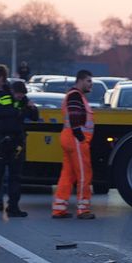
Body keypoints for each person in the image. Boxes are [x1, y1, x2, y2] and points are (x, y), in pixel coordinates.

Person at [0, 67, 38, 217]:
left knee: (15, 177)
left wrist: (29, 108)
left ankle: (13, 207)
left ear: (1, 77)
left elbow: (33, 115)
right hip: (0, 140)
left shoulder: (19, 95)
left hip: (16, 142)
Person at [52, 69, 96, 219]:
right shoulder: (76, 96)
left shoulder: (74, 95)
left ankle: (59, 208)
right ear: (81, 80)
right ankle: (83, 209)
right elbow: (74, 115)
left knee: (68, 175)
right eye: (89, 81)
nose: (91, 84)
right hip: (76, 139)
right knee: (84, 174)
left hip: (70, 138)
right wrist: (80, 137)